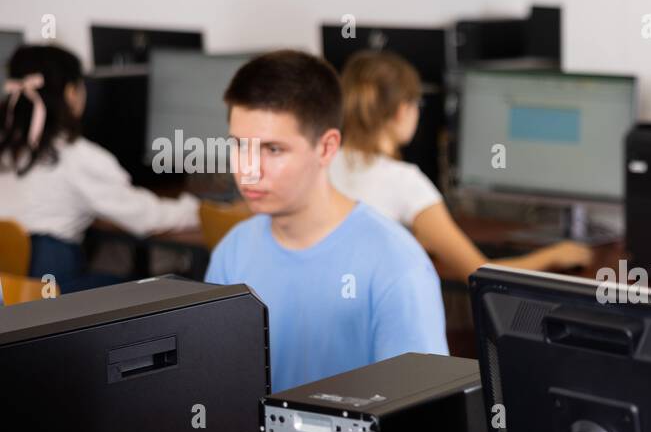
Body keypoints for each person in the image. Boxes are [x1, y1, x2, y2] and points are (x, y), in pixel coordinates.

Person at [205, 50, 447, 392]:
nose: (248, 170)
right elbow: (220, 390)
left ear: (326, 147)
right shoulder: (232, 252)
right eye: (240, 146)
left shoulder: (397, 266)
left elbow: (425, 422)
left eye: (273, 150)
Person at [329, 50, 591, 281]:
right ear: (402, 110)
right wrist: (554, 256)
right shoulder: (405, 183)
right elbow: (479, 272)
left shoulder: (323, 165)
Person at [0, 44, 199, 292]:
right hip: (50, 290)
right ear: (72, 93)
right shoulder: (78, 157)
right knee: (151, 290)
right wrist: (200, 211)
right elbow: (146, 218)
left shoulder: (7, 151)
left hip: (10, 294)